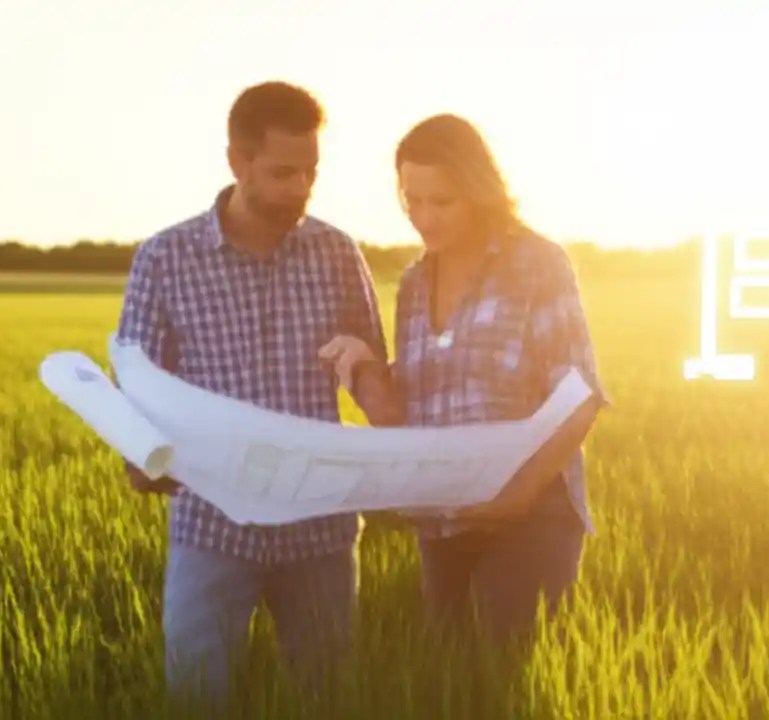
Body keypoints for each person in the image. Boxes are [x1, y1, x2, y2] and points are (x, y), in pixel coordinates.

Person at [115, 81, 387, 705]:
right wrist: (140, 454)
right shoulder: (164, 258)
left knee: (326, 701)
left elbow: (376, 380)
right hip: (211, 528)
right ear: (237, 162)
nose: (299, 188)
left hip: (319, 529)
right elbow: (136, 386)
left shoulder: (338, 253)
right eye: (282, 171)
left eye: (310, 173)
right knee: (195, 700)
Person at [318, 113, 609, 649]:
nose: (424, 216)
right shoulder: (412, 284)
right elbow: (409, 422)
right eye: (412, 200)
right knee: (449, 686)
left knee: (503, 682)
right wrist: (361, 368)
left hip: (530, 520)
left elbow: (580, 396)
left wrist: (515, 496)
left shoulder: (536, 263)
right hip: (442, 524)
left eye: (441, 201)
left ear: (478, 189)